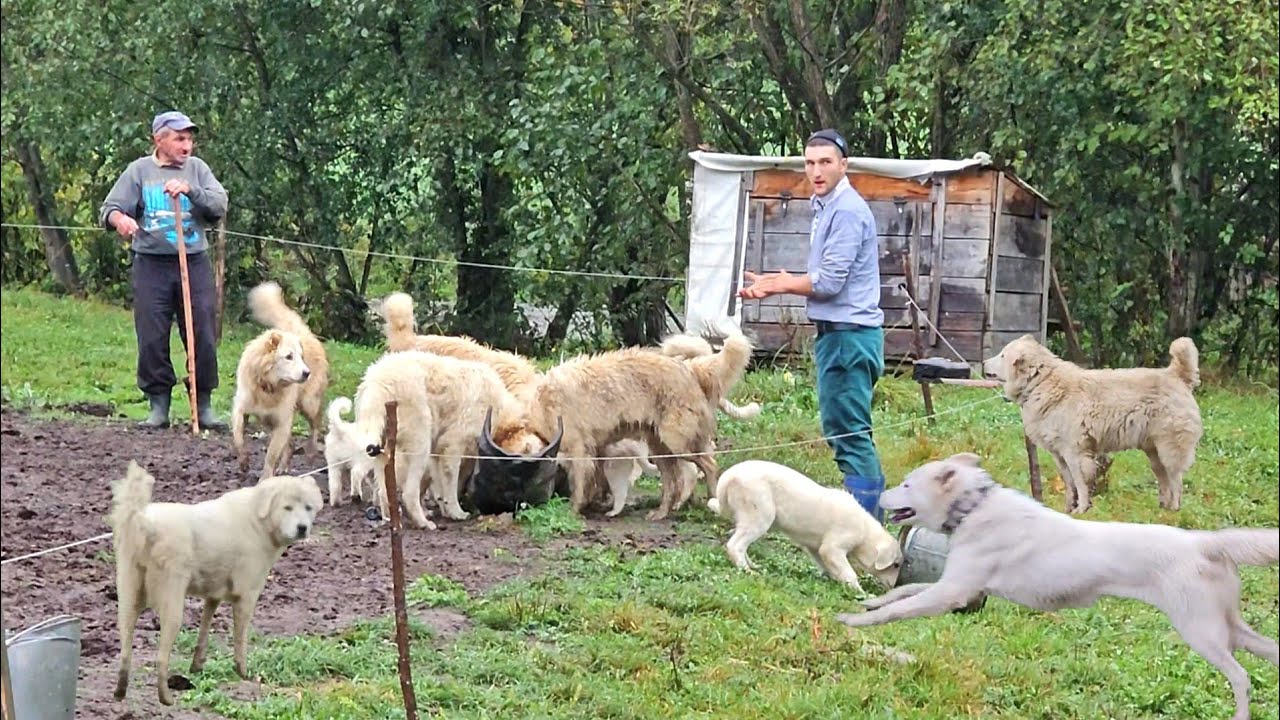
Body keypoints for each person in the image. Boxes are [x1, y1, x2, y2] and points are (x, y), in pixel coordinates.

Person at [737, 128, 886, 521]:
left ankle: (867, 531)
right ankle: (860, 523)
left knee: (851, 435)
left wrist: (783, 283)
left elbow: (830, 282)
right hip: (837, 336)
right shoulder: (825, 205)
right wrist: (775, 281)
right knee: (842, 430)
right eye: (809, 162)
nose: (816, 171)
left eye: (825, 162)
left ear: (843, 165)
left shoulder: (848, 211)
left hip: (850, 338)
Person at [99, 111, 228, 430]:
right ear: (160, 139)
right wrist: (121, 221)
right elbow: (110, 209)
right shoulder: (139, 171)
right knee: (152, 335)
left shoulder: (197, 170)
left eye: (190, 139)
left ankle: (203, 404)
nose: (187, 145)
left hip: (193, 262)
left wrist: (190, 190)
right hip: (151, 265)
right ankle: (159, 406)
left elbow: (219, 205)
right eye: (180, 138)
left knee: (202, 333)